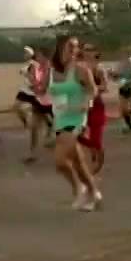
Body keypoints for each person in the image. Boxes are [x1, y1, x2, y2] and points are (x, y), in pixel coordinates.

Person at [48, 33, 101, 211]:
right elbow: (46, 90)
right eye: (70, 46)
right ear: (60, 47)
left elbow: (93, 90)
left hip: (76, 117)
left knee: (60, 160)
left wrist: (86, 103)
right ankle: (93, 191)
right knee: (77, 162)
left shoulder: (80, 69)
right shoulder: (53, 71)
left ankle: (79, 188)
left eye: (76, 46)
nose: (74, 50)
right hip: (59, 118)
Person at [78, 43, 109, 175]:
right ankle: (95, 151)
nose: (87, 52)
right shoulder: (79, 68)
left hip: (96, 105)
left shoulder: (99, 69)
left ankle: (97, 160)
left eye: (90, 50)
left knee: (95, 138)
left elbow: (105, 86)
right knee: (77, 134)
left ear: (95, 52)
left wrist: (91, 88)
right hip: (82, 105)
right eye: (85, 49)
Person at [23, 47, 55, 164]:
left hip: (52, 102)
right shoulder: (37, 68)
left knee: (61, 130)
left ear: (46, 57)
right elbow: (36, 85)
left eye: (39, 55)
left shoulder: (50, 69)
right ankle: (33, 153)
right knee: (34, 127)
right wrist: (33, 83)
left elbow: (43, 88)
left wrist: (34, 85)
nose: (36, 57)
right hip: (40, 101)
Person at [13, 46, 39, 129]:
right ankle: (25, 121)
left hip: (33, 92)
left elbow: (35, 77)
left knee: (41, 113)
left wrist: (25, 73)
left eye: (26, 53)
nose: (24, 55)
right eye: (24, 53)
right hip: (24, 90)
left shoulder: (34, 64)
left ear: (30, 54)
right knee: (16, 107)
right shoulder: (27, 64)